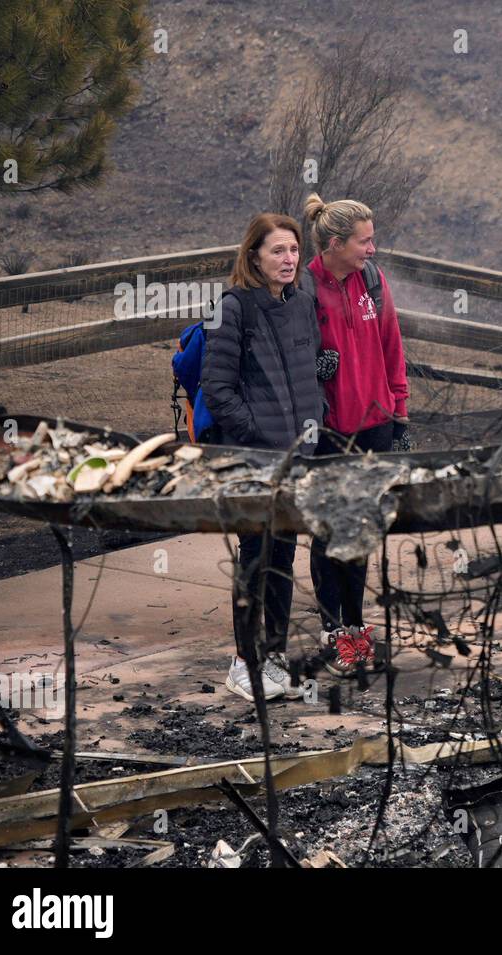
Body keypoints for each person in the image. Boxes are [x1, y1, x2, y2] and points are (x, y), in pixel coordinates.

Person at [202, 213, 325, 701]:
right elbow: (217, 386)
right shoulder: (231, 307)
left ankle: (273, 658)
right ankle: (243, 663)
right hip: (255, 459)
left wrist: (318, 417)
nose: (288, 259)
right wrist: (254, 434)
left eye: (293, 250)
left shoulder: (301, 305)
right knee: (255, 558)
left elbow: (310, 374)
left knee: (282, 558)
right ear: (254, 255)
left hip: (298, 457)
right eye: (277, 251)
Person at [302, 193, 409, 676]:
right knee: (328, 529)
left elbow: (392, 345)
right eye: (364, 241)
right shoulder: (303, 288)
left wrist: (400, 415)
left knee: (361, 528)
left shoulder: (372, 280)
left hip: (375, 425)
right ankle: (333, 630)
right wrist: (311, 368)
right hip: (326, 430)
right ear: (334, 243)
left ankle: (356, 623)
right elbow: (280, 359)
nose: (372, 249)